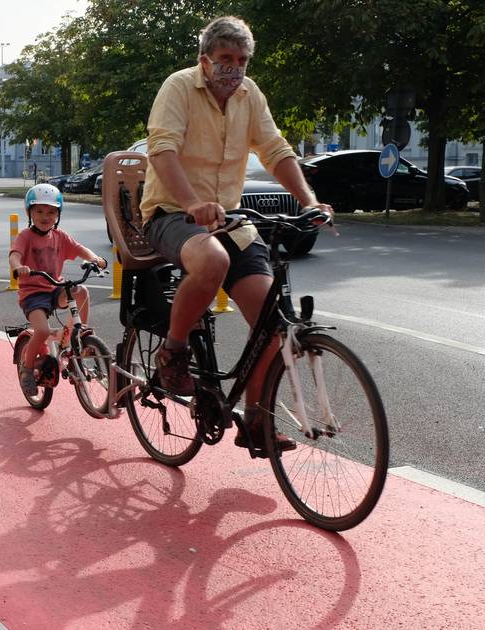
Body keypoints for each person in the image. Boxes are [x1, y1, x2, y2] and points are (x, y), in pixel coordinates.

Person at [139, 16, 334, 451]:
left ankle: (256, 420)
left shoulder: (250, 95)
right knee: (213, 260)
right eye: (225, 59)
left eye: (242, 60)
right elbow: (163, 149)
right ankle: (172, 352)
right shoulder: (178, 87)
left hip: (228, 216)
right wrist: (191, 202)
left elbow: (276, 150)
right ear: (204, 60)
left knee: (271, 318)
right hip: (172, 213)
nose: (234, 68)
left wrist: (309, 200)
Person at [9, 183, 106, 397]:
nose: (45, 216)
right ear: (30, 212)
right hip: (33, 294)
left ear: (58, 214)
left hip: (55, 289)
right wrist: (18, 267)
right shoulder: (26, 236)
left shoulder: (60, 236)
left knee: (81, 292)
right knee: (42, 331)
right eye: (39, 211)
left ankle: (78, 337)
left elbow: (79, 248)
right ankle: (26, 370)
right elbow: (15, 254)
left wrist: (95, 259)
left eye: (51, 211)